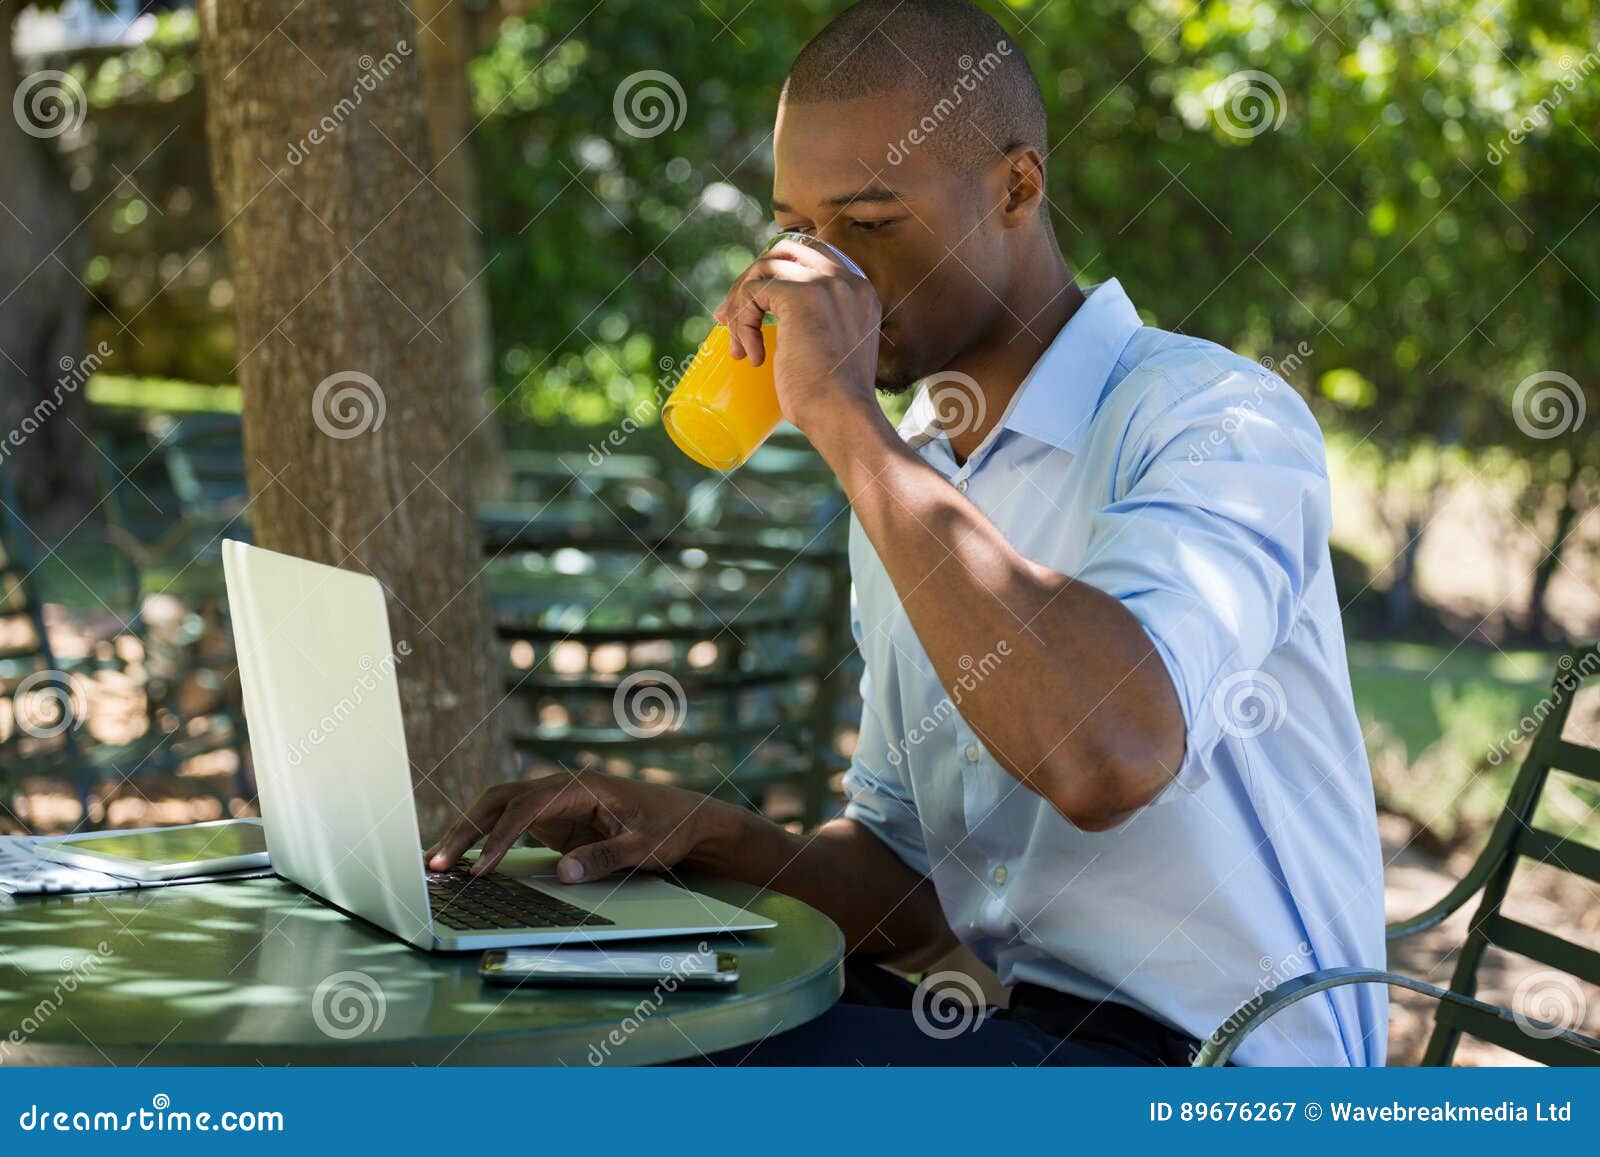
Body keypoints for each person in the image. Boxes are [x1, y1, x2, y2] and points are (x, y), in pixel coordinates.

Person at [430, 0, 1387, 1066]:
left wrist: (844, 423)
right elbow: (915, 888)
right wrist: (700, 830)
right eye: (794, 229)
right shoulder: (916, 470)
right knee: (556, 1021)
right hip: (1016, 1028)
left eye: (870, 224)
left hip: (1221, 1068)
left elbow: (1107, 754)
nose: (819, 272)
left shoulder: (1213, 417)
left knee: (634, 1074)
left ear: (1017, 187)